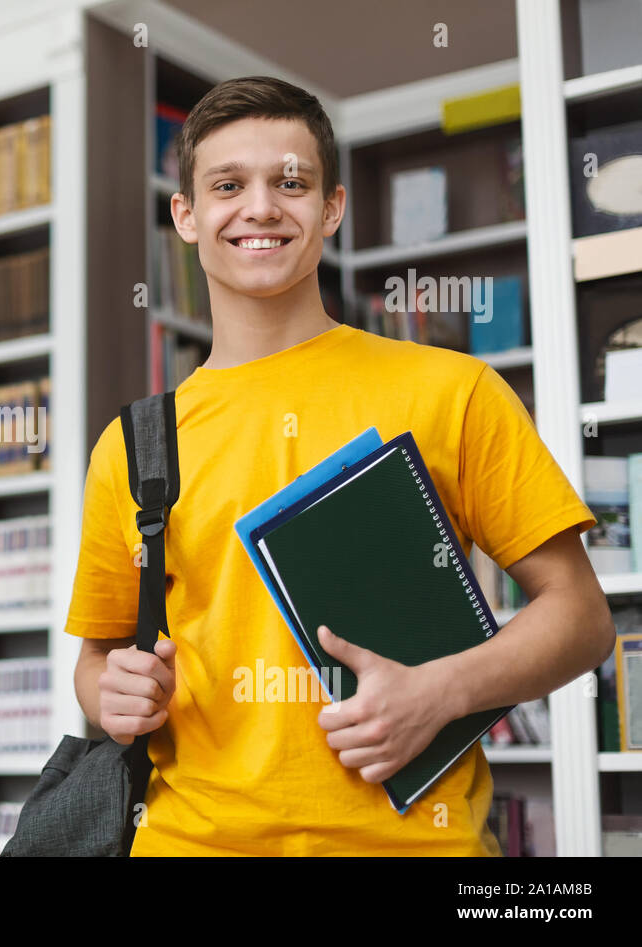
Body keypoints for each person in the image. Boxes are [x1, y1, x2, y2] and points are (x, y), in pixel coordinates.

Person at [65, 75, 615, 856]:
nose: (260, 207)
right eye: (228, 185)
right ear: (185, 215)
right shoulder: (134, 443)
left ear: (331, 207)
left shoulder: (452, 391)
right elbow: (95, 659)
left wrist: (442, 691)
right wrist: (109, 692)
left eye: (290, 181)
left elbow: (583, 618)